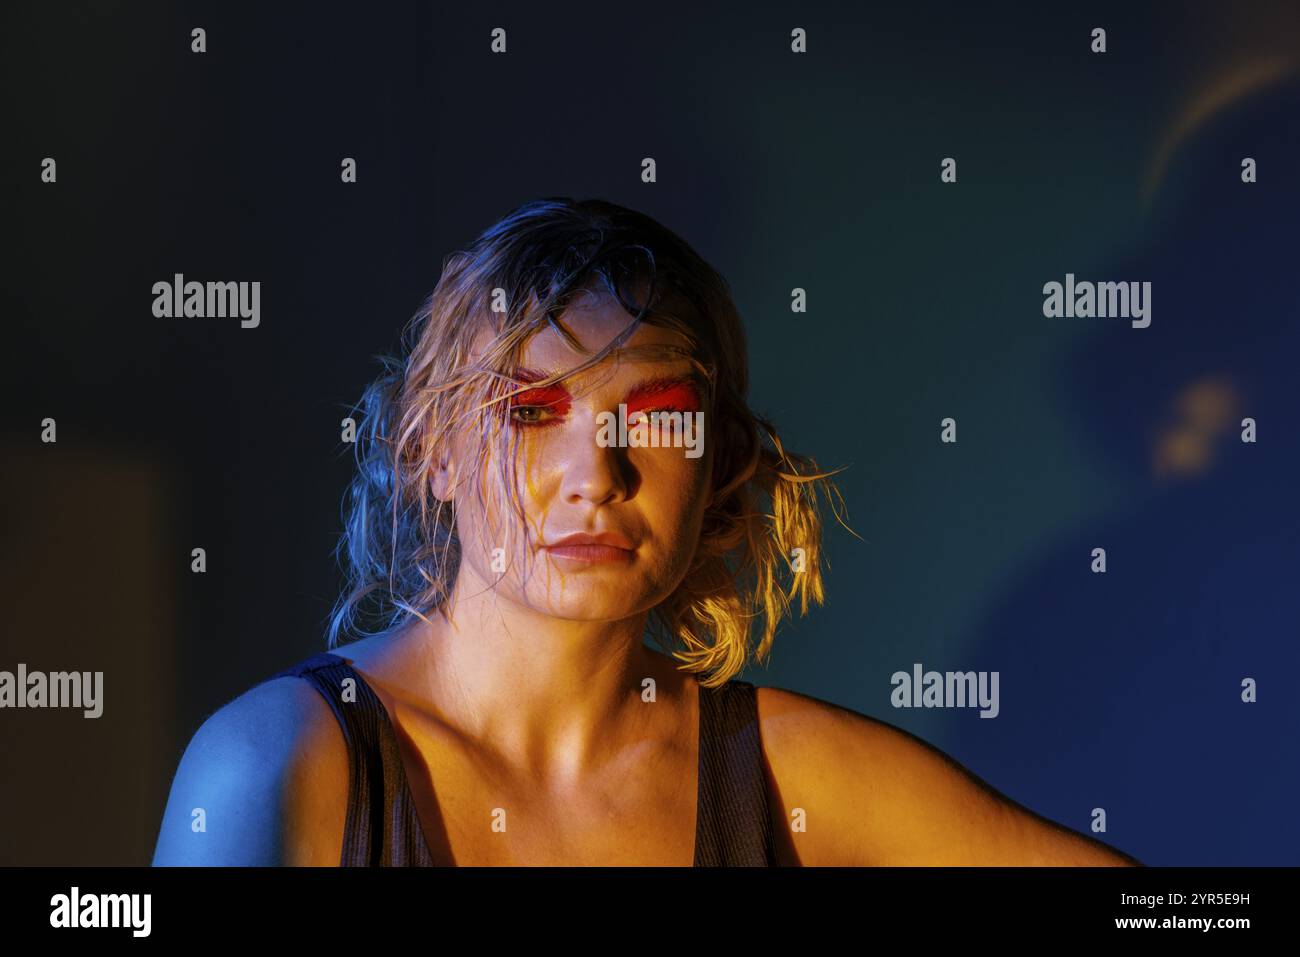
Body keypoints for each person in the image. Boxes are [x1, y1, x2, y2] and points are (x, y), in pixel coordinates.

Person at [152, 198, 1139, 866]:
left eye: (657, 419)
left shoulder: (784, 773)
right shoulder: (285, 763)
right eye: (531, 412)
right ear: (434, 454)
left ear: (719, 467)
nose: (597, 477)